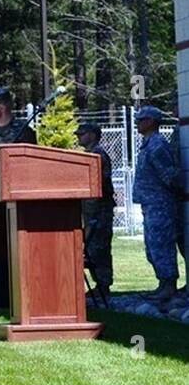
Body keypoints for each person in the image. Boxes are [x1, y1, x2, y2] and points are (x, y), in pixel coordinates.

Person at [132, 105, 183, 307]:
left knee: (162, 245)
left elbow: (169, 176)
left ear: (152, 121)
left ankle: (169, 285)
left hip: (160, 204)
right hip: (151, 204)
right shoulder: (149, 144)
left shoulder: (157, 145)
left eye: (141, 119)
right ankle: (163, 284)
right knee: (153, 247)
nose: (137, 123)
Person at [75, 122, 115, 305]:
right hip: (89, 210)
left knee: (99, 248)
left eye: (82, 133)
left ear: (92, 134)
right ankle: (99, 287)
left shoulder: (98, 155)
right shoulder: (89, 155)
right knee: (92, 248)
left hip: (99, 210)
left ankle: (103, 287)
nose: (78, 137)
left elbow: (99, 183)